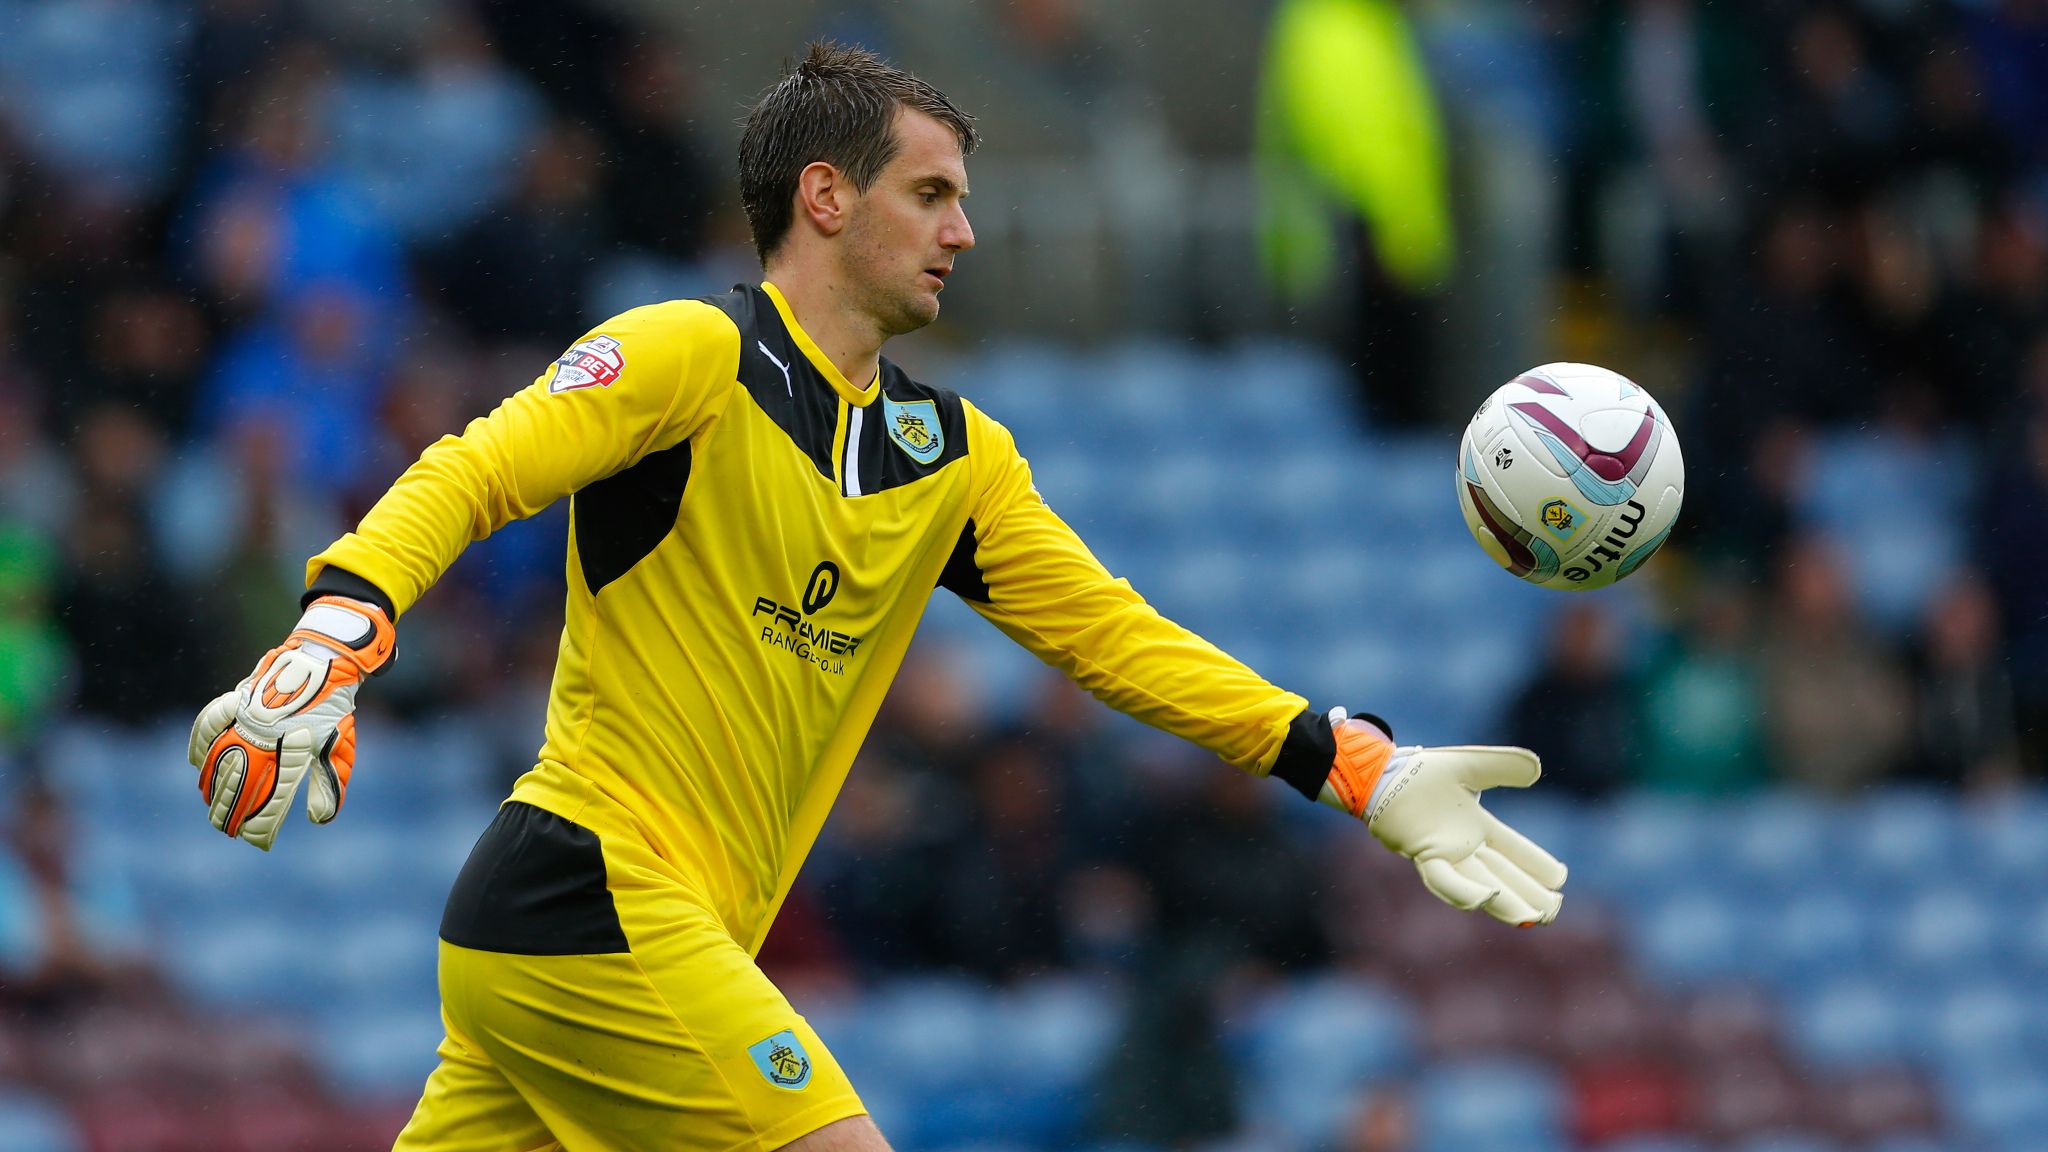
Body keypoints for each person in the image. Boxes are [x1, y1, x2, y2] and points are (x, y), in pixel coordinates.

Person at [185, 43, 1568, 1152]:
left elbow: (1114, 639)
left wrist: (1352, 765)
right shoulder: (690, 355)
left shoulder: (953, 460)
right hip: (592, 893)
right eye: (932, 193)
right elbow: (474, 470)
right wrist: (335, 632)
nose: (964, 229)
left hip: (600, 949)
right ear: (826, 198)